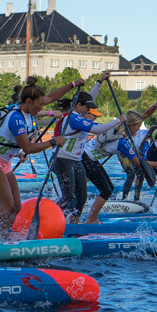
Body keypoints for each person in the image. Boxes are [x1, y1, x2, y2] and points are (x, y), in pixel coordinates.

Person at [0, 77, 80, 220]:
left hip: (0, 155)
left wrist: (73, 84)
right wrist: (52, 141)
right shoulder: (16, 114)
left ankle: (1, 233)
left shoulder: (26, 112)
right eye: (40, 104)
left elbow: (49, 98)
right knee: (3, 201)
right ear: (28, 100)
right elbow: (27, 146)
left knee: (12, 204)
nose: (42, 107)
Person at [81, 98, 157, 223]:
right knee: (106, 190)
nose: (139, 129)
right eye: (137, 127)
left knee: (109, 188)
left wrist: (156, 104)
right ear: (130, 126)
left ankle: (90, 216)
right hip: (86, 158)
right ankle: (91, 219)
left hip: (89, 158)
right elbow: (139, 162)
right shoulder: (122, 142)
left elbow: (145, 115)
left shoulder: (121, 128)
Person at [55, 75, 127, 222]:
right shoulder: (73, 119)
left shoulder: (79, 111)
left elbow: (89, 98)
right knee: (68, 197)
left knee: (81, 197)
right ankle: (47, 218)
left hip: (77, 161)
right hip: (63, 160)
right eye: (87, 107)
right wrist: (118, 121)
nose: (89, 110)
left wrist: (99, 82)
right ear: (78, 105)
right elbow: (99, 130)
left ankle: (73, 225)